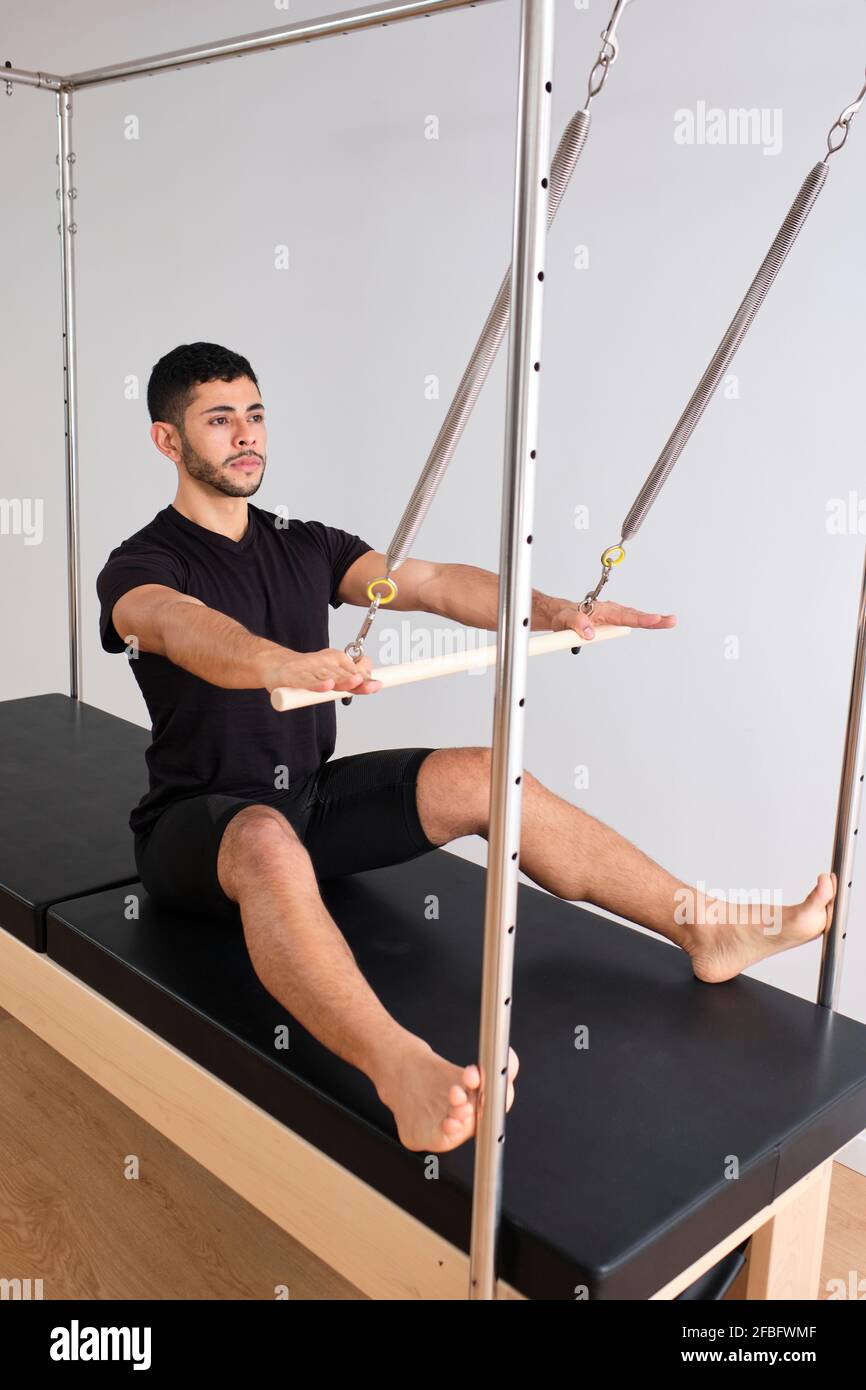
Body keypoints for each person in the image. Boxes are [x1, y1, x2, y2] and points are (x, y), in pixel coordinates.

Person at [97, 341, 836, 1154]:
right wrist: (277, 661)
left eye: (256, 415)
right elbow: (174, 624)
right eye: (219, 420)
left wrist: (553, 610)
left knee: (484, 775)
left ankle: (709, 929)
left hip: (307, 797)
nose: (246, 435)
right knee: (266, 840)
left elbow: (435, 582)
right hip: (199, 829)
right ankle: (403, 1072)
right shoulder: (143, 562)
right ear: (170, 441)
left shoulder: (302, 543)